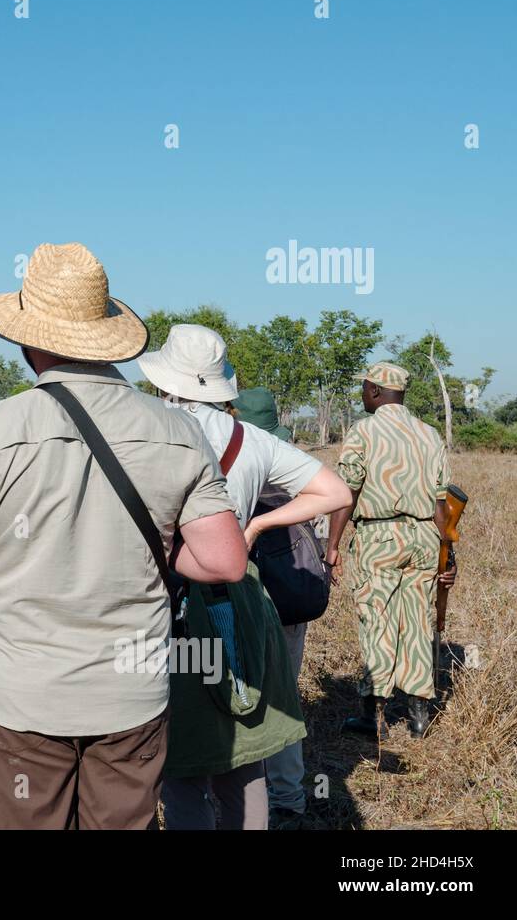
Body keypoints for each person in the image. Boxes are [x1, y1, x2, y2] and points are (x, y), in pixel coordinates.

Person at [0, 243, 248, 830]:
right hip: (131, 699)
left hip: (22, 700)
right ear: (107, 338)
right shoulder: (178, 430)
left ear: (27, 339)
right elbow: (224, 563)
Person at [137, 326, 352, 830]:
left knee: (183, 761)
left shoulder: (150, 428)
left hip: (171, 600)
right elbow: (336, 492)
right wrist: (255, 525)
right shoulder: (249, 438)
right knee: (246, 748)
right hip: (241, 598)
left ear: (165, 378)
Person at [325, 363, 458, 739]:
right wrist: (447, 549)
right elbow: (441, 503)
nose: (362, 394)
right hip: (424, 537)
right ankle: (418, 716)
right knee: (417, 622)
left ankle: (374, 715)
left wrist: (332, 546)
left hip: (379, 536)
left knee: (376, 618)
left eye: (365, 388)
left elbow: (346, 492)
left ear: (376, 392)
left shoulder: (363, 432)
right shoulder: (429, 434)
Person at [232, 385, 314, 826]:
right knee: (285, 697)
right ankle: (288, 796)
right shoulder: (295, 471)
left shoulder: (234, 463)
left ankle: (248, 797)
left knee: (240, 698)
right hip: (290, 601)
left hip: (242, 600)